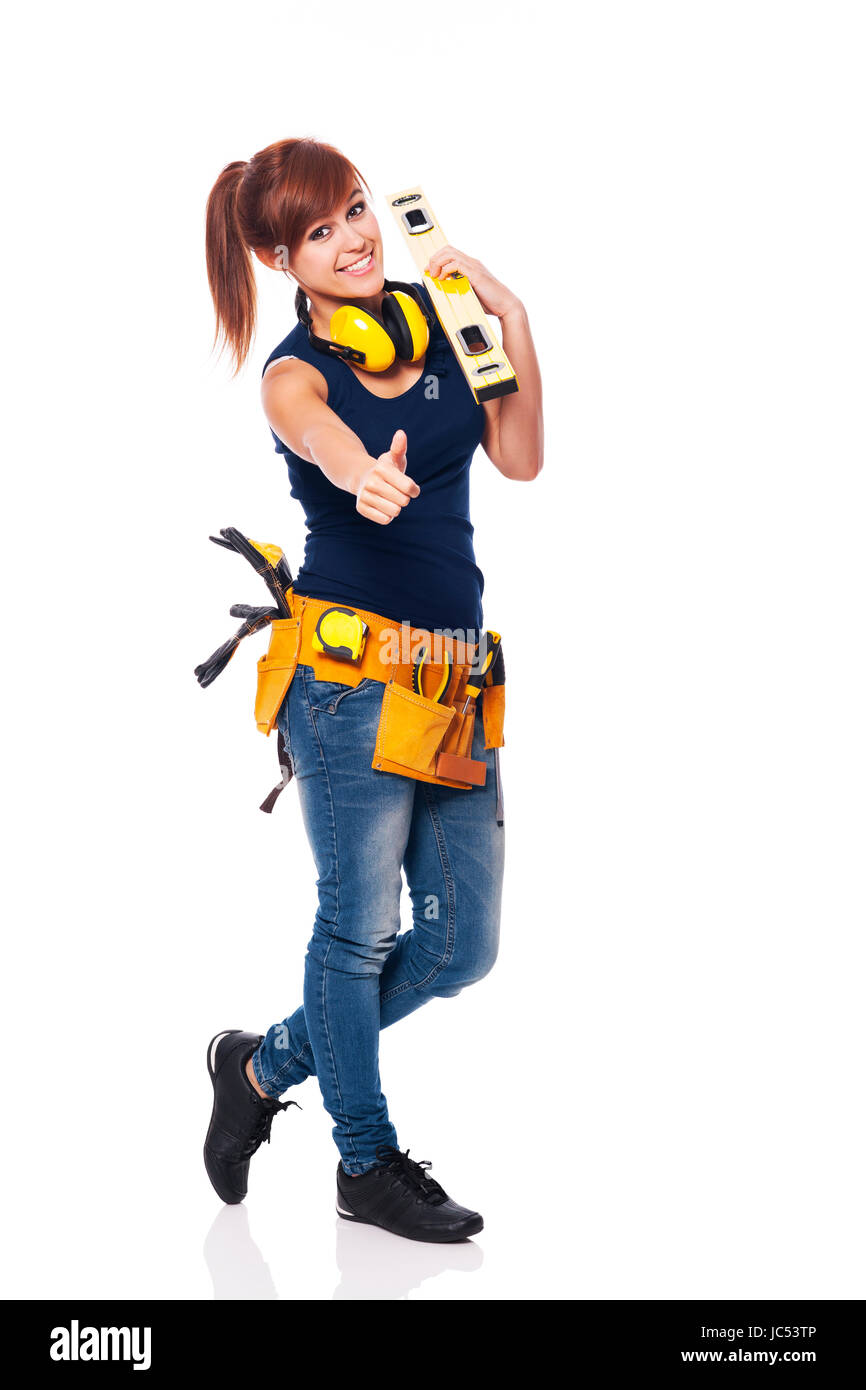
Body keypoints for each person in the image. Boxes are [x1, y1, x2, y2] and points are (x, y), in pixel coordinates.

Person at [202, 137, 543, 1243]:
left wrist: (514, 323)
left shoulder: (440, 320)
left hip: (452, 682)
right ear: (276, 255)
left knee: (461, 948)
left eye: (355, 209)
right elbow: (314, 430)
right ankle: (363, 1160)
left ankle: (259, 1066)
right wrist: (359, 470)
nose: (353, 237)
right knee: (355, 933)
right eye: (317, 230)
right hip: (348, 687)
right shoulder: (295, 372)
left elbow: (523, 457)